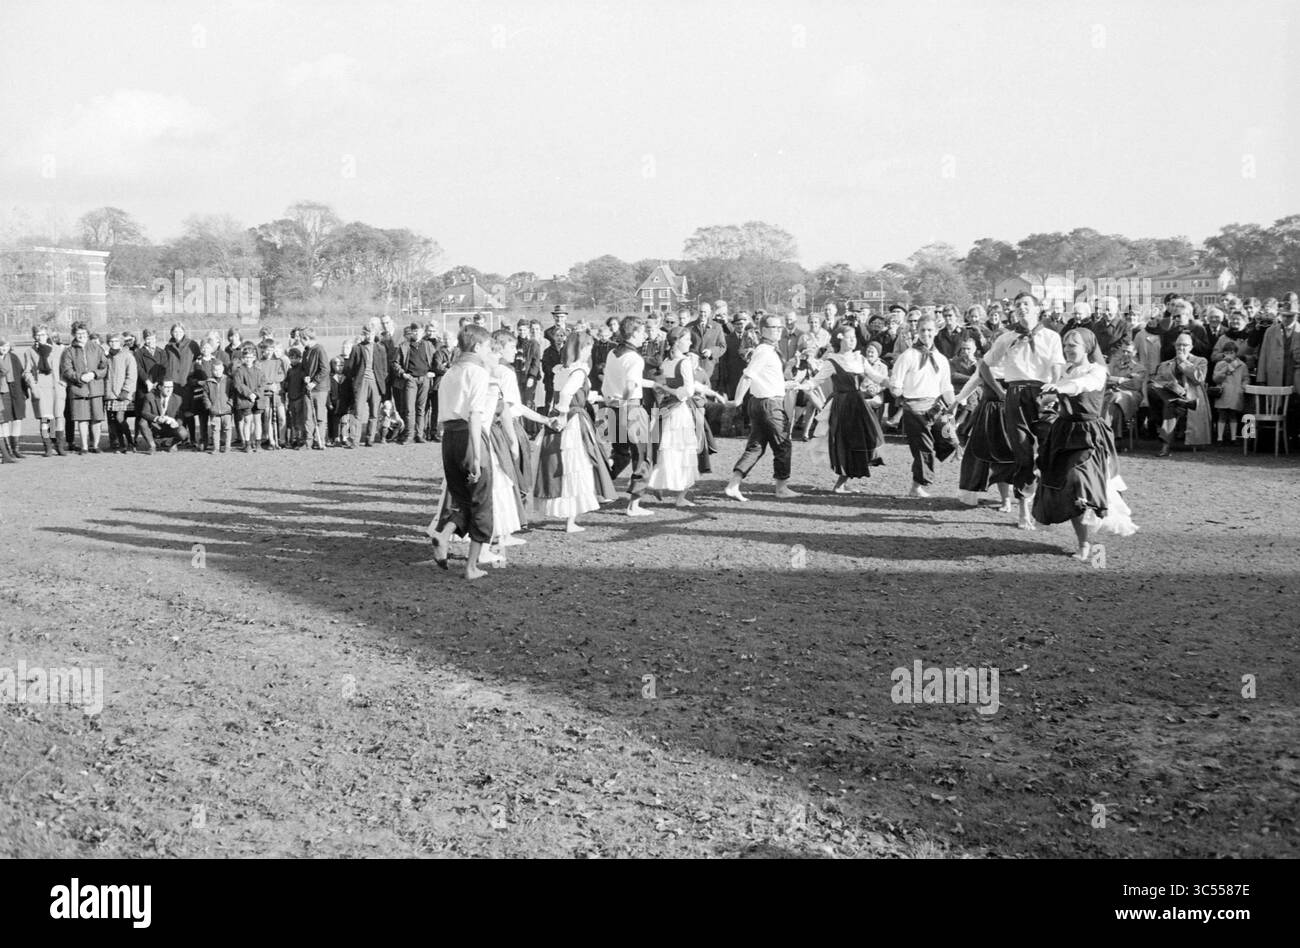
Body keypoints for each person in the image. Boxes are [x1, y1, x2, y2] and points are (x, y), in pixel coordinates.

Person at [1032, 328, 1138, 559]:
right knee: (1067, 488)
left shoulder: (1096, 371)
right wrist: (1047, 396)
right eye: (1066, 345)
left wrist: (1060, 387)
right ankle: (1084, 543)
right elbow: (1054, 394)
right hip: (1063, 433)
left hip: (1089, 435)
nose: (1069, 349)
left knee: (1080, 481)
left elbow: (1081, 385)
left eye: (1074, 345)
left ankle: (1091, 542)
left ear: (1087, 347)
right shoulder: (1066, 370)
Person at [980, 292, 1065, 528]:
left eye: (1026, 304)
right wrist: (1000, 392)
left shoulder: (1051, 337)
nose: (1022, 308)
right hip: (1016, 395)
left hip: (1044, 394)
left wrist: (1054, 387)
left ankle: (1047, 494)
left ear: (1037, 309)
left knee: (1052, 446)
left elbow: (1057, 366)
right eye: (1017, 305)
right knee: (1023, 451)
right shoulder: (1006, 338)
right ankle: (1023, 509)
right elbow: (985, 366)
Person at [427, 325, 497, 580]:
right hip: (469, 436)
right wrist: (477, 457)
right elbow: (475, 414)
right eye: (488, 347)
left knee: (462, 498)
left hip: (449, 438)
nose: (489, 352)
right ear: (477, 347)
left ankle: (443, 535)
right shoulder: (477, 373)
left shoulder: (450, 373)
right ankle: (471, 567)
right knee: (481, 501)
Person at [534, 332, 616, 532]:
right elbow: (566, 394)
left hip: (564, 416)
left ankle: (568, 516)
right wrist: (562, 416)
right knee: (576, 465)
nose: (590, 350)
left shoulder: (562, 370)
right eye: (587, 347)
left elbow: (567, 395)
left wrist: (599, 398)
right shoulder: (579, 371)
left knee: (564, 466)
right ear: (579, 349)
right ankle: (571, 521)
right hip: (572, 420)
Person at [724, 314, 802, 502]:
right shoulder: (765, 351)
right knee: (783, 445)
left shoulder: (767, 351)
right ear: (763, 331)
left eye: (779, 327)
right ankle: (781, 487)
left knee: (756, 447)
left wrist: (789, 385)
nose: (778, 330)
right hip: (769, 405)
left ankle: (733, 485)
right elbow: (747, 376)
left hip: (762, 402)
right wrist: (737, 400)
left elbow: (766, 379)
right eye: (774, 327)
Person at [800, 324, 885, 493]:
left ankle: (844, 481)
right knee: (846, 442)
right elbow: (817, 380)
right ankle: (840, 483)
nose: (853, 341)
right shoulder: (832, 361)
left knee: (869, 437)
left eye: (854, 337)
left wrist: (892, 383)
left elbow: (875, 376)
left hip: (858, 404)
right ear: (840, 339)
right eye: (849, 337)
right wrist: (801, 385)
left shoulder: (859, 359)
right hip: (843, 405)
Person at [647, 327, 722, 506]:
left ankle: (657, 482)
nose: (690, 342)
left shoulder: (666, 361)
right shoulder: (685, 362)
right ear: (677, 341)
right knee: (684, 451)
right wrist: (677, 392)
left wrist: (711, 392)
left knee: (667, 449)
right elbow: (688, 390)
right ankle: (680, 497)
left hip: (665, 409)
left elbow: (669, 386)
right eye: (687, 339)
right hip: (680, 410)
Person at [890, 315, 957, 498]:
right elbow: (896, 385)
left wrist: (954, 407)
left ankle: (921, 475)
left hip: (936, 408)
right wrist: (897, 390)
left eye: (929, 330)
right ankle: (917, 485)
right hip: (914, 409)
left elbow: (946, 387)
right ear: (917, 332)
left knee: (951, 442)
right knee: (923, 449)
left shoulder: (941, 359)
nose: (926, 334)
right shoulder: (908, 356)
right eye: (922, 330)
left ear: (935, 332)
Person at [602, 316, 657, 516]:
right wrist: (626, 401)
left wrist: (654, 384)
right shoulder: (635, 358)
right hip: (631, 408)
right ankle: (634, 505)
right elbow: (631, 384)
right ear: (633, 333)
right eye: (642, 332)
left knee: (620, 454)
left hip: (613, 408)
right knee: (643, 456)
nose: (644, 336)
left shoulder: (612, 353)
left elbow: (615, 380)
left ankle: (600, 489)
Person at [1150, 332, 1211, 457]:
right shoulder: (1166, 364)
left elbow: (1199, 378)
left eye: (1184, 345)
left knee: (1169, 406)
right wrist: (1169, 385)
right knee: (1153, 389)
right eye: (1178, 345)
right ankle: (1177, 402)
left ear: (1191, 347)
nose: (1181, 348)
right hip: (1172, 398)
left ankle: (1165, 446)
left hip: (1191, 397)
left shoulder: (1201, 361)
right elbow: (1157, 381)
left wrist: (1183, 362)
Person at [59, 321, 108, 454]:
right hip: (78, 390)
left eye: (83, 333)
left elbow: (104, 367)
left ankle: (95, 445)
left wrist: (94, 374)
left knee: (97, 418)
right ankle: (84, 446)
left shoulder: (96, 348)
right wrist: (80, 377)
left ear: (87, 333)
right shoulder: (69, 351)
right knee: (82, 419)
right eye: (78, 333)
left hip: (96, 388)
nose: (81, 336)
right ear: (74, 334)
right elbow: (66, 370)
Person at [20, 325, 66, 457]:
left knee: (58, 417)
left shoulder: (58, 350)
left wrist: (64, 382)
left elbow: (65, 368)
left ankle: (60, 445)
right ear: (34, 336)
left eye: (43, 334)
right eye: (38, 334)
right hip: (41, 388)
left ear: (48, 335)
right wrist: (33, 385)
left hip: (57, 387)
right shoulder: (29, 352)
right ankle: (48, 446)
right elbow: (27, 372)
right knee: (46, 418)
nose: (41, 337)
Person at [344, 324, 387, 448]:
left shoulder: (380, 348)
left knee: (374, 414)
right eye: (367, 333)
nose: (370, 336)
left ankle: (370, 439)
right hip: (361, 383)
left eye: (372, 333)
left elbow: (384, 369)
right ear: (364, 334)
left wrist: (380, 380)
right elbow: (350, 368)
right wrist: (355, 380)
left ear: (375, 334)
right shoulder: (357, 348)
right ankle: (355, 441)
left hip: (376, 384)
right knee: (358, 413)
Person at [1102, 339, 1147, 446]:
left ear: (1135, 352)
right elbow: (1103, 379)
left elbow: (1135, 385)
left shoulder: (1140, 368)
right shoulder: (1112, 365)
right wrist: (1122, 380)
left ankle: (1103, 434)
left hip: (1131, 395)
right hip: (1112, 395)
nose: (1125, 354)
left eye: (1129, 352)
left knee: (1115, 396)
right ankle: (1115, 438)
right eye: (1123, 351)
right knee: (1114, 405)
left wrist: (1113, 380)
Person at [103, 333, 138, 453]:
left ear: (121, 342)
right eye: (111, 341)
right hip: (110, 394)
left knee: (120, 419)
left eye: (116, 341)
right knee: (114, 421)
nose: (113, 344)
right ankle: (122, 444)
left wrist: (126, 390)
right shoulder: (107, 357)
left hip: (122, 394)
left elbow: (132, 375)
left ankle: (130, 442)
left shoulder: (127, 356)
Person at [138, 379, 189, 453]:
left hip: (170, 427)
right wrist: (157, 418)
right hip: (155, 426)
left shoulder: (178, 399)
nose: (169, 390)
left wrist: (176, 423)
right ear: (160, 387)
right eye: (166, 387)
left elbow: (181, 416)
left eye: (171, 387)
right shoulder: (149, 396)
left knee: (183, 433)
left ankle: (172, 444)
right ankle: (152, 446)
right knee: (142, 422)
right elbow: (144, 412)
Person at [1212, 341, 1249, 444]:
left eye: (1231, 352)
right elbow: (1215, 378)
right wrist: (1225, 369)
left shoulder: (1242, 365)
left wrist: (1243, 387)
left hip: (1236, 393)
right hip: (1223, 392)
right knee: (1222, 415)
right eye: (1226, 352)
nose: (1229, 355)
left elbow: (1246, 378)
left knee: (1233, 415)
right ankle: (1220, 437)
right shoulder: (1220, 364)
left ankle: (1233, 437)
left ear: (1236, 353)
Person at [300, 328, 329, 450]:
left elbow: (325, 369)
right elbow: (304, 369)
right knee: (308, 416)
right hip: (308, 389)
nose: (299, 341)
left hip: (320, 389)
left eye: (301, 338)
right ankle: (308, 442)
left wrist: (314, 382)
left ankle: (320, 440)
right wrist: (305, 378)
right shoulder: (306, 351)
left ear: (306, 338)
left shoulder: (319, 349)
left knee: (320, 416)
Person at [231, 345, 263, 453]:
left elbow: (262, 384)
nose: (248, 359)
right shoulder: (239, 371)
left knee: (257, 421)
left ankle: (258, 444)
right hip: (245, 400)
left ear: (254, 357)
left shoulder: (258, 371)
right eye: (246, 357)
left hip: (258, 401)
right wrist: (249, 394)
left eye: (250, 357)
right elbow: (238, 385)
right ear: (243, 358)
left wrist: (255, 394)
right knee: (247, 421)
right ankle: (247, 444)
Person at [200, 360, 235, 453]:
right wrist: (209, 407)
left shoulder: (229, 380)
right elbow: (205, 396)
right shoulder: (208, 382)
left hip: (226, 410)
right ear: (212, 370)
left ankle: (227, 447)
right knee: (215, 429)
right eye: (215, 370)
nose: (217, 372)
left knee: (227, 428)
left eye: (219, 369)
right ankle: (216, 448)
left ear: (223, 369)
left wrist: (230, 404)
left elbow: (233, 394)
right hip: (214, 411)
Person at [327, 356, 351, 446]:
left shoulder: (347, 378)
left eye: (341, 365)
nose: (339, 367)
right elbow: (327, 392)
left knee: (345, 421)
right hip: (334, 403)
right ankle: (335, 437)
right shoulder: (330, 378)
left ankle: (344, 437)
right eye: (336, 365)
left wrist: (350, 403)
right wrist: (328, 402)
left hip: (344, 403)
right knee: (334, 421)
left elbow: (350, 391)